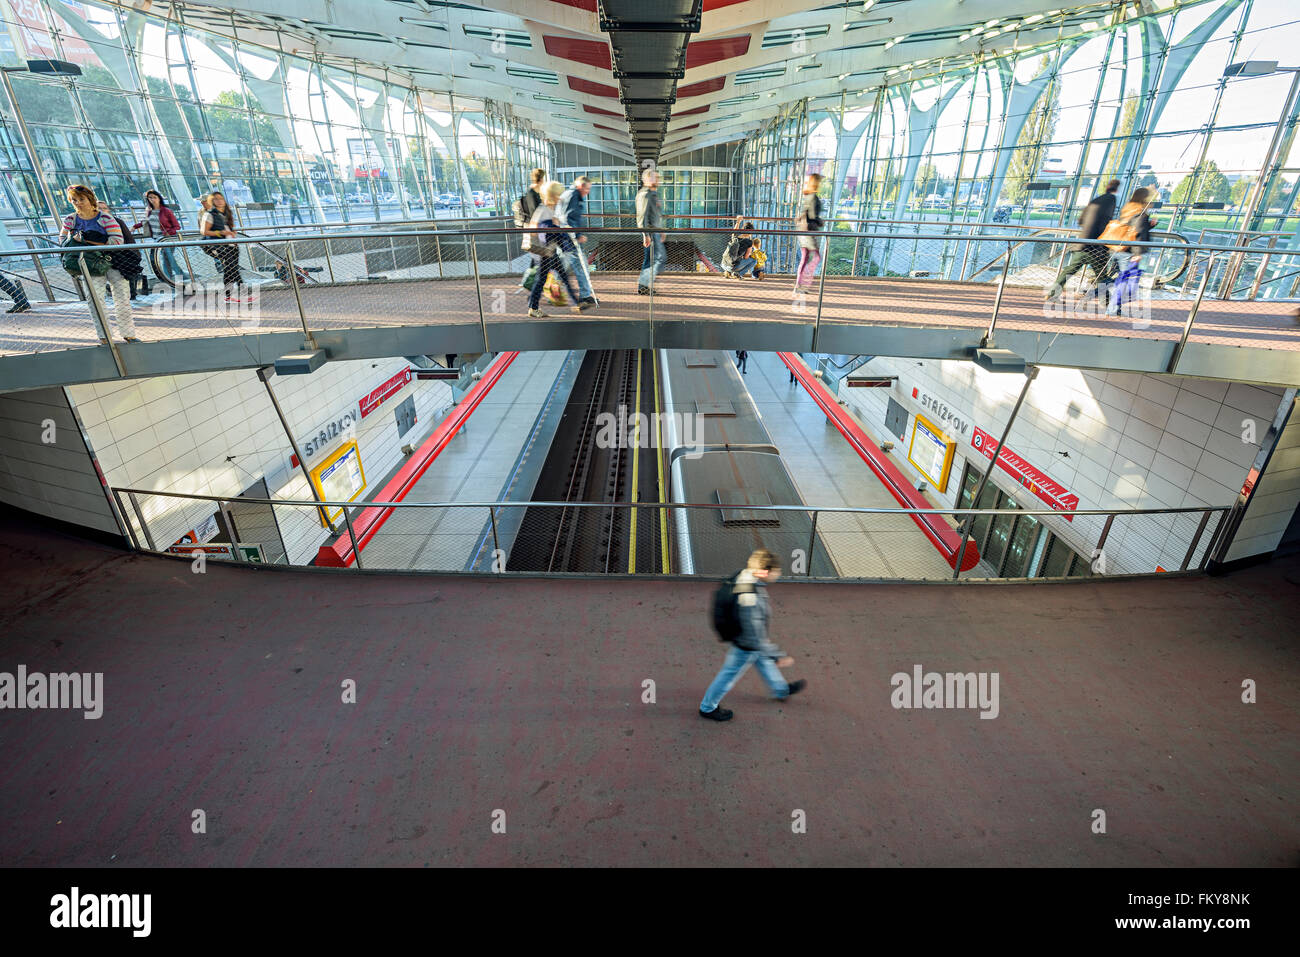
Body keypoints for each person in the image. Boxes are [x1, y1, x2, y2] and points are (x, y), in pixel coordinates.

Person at [699, 549, 806, 722]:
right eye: (776, 571)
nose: (778, 574)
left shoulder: (746, 576)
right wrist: (778, 655)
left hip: (747, 640)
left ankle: (781, 690)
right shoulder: (750, 598)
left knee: (762, 661)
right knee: (729, 675)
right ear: (764, 572)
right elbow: (754, 635)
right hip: (746, 644)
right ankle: (707, 707)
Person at [61, 184, 138, 342]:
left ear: (90, 199)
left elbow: (117, 241)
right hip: (88, 264)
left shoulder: (105, 218)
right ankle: (104, 336)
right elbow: (62, 241)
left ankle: (128, 333)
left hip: (113, 261)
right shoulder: (70, 219)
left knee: (122, 296)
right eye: (74, 200)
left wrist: (87, 241)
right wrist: (73, 240)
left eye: (81, 199)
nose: (78, 203)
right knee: (94, 299)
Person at [1045, 178, 1120, 300]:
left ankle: (1052, 293)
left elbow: (1081, 220)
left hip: (1082, 243)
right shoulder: (1111, 200)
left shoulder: (1096, 200)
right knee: (1101, 276)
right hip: (1096, 247)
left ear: (1107, 187)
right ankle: (1107, 303)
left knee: (1069, 271)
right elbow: (1106, 222)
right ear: (1116, 189)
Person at [525, 181, 583, 318]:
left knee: (562, 276)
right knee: (542, 279)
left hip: (550, 251)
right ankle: (533, 307)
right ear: (554, 195)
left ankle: (575, 303)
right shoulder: (544, 209)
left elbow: (554, 228)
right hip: (545, 252)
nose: (561, 197)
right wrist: (560, 231)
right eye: (559, 194)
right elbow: (544, 230)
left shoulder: (550, 208)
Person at [1105, 186, 1157, 314]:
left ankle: (1113, 305)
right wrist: (1138, 253)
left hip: (1119, 249)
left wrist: (1149, 226)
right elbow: (1138, 233)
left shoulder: (1128, 209)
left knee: (1124, 280)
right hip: (1130, 253)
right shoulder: (1141, 214)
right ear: (1145, 200)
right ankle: (1112, 306)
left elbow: (1130, 230)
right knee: (1128, 282)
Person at [555, 175, 597, 309]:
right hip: (569, 239)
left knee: (569, 267)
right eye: (586, 189)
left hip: (566, 238)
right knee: (578, 267)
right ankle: (583, 296)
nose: (588, 192)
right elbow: (569, 218)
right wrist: (577, 235)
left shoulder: (572, 194)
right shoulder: (573, 196)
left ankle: (584, 295)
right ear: (580, 186)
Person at [199, 192, 249, 302]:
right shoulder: (209, 214)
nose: (219, 201)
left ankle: (228, 295)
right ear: (212, 201)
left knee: (229, 270)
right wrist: (220, 232)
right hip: (220, 246)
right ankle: (243, 293)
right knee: (233, 269)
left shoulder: (226, 213)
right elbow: (204, 231)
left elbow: (229, 228)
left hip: (231, 245)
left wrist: (231, 232)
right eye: (216, 199)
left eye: (221, 198)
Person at [134, 189, 189, 287]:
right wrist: (135, 227)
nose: (152, 199)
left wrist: (168, 233)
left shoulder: (166, 211)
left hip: (167, 239)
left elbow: (177, 226)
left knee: (168, 256)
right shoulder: (149, 211)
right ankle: (168, 276)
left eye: (154, 197)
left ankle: (174, 275)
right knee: (166, 258)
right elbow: (144, 222)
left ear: (159, 198)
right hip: (157, 239)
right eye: (150, 198)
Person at [97, 200, 148, 298]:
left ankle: (132, 296)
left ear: (108, 210)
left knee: (127, 275)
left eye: (104, 208)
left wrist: (135, 252)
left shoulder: (117, 221)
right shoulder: (95, 223)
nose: (102, 210)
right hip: (108, 256)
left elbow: (128, 237)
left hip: (123, 254)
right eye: (99, 208)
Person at [636, 167, 666, 295]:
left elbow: (656, 214)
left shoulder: (653, 193)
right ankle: (643, 285)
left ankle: (644, 285)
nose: (658, 179)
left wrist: (662, 231)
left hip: (656, 232)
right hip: (651, 233)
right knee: (656, 259)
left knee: (653, 259)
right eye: (655, 177)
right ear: (647, 179)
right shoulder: (645, 194)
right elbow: (641, 217)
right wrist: (645, 235)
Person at [794, 172, 825, 290]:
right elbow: (812, 216)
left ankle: (800, 284)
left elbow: (807, 214)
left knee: (805, 257)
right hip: (809, 231)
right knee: (816, 257)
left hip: (803, 230)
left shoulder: (808, 195)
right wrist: (819, 221)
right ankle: (804, 283)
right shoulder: (813, 197)